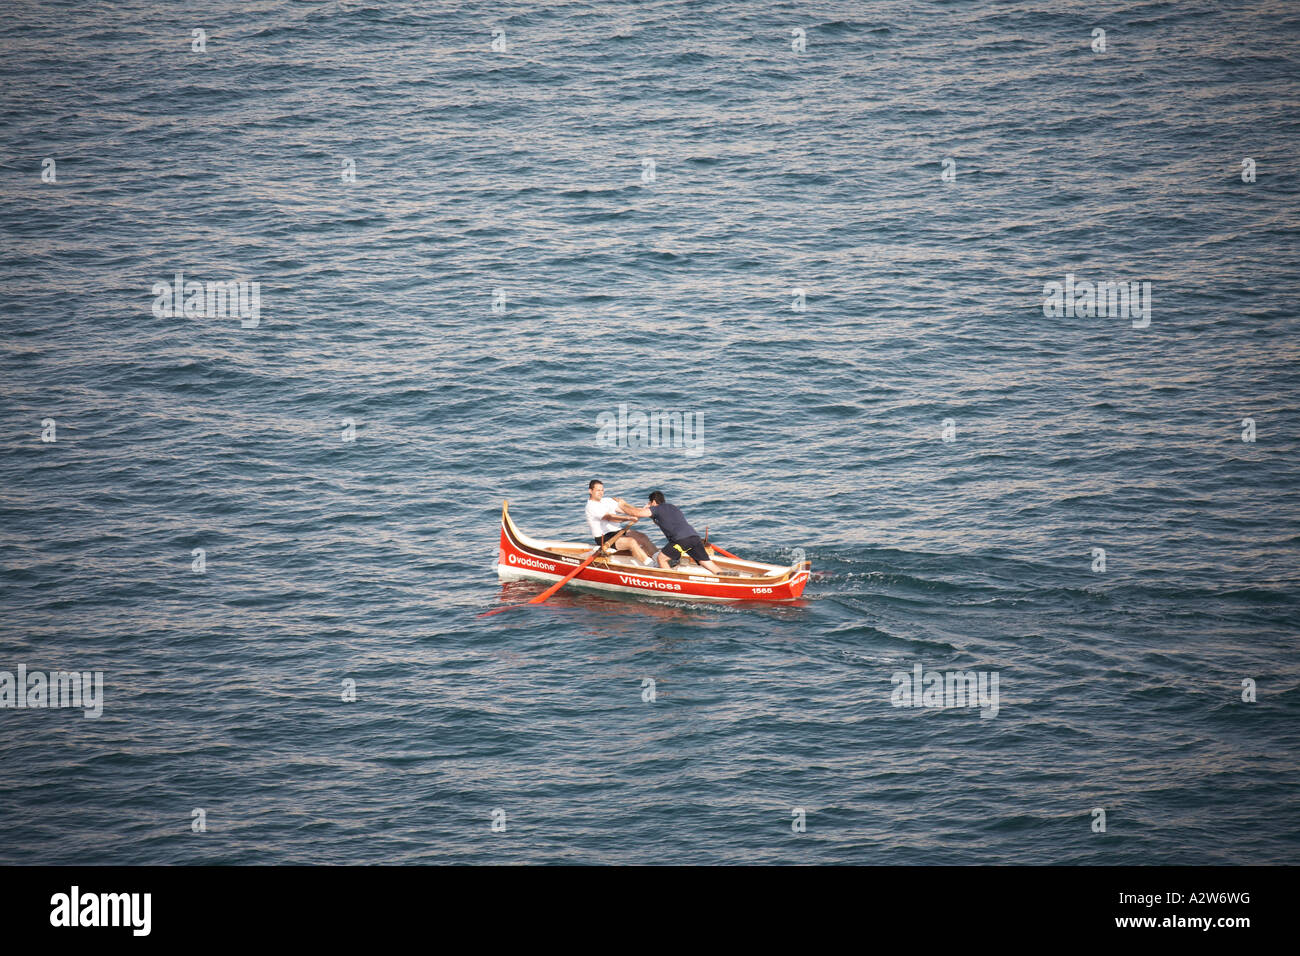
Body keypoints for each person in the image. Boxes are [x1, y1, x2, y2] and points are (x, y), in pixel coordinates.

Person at [614, 491, 727, 575]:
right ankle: (722, 576)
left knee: (662, 558)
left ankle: (671, 580)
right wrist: (651, 515)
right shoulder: (672, 507)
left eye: (650, 502)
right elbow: (664, 522)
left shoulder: (657, 509)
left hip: (682, 540)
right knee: (705, 562)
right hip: (694, 538)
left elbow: (636, 512)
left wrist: (622, 504)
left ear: (653, 502)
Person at [585, 480, 655, 565]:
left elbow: (625, 509)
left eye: (602, 490)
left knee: (642, 537)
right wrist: (628, 518)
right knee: (631, 542)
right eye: (598, 490)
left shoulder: (607, 500)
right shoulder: (591, 506)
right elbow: (610, 517)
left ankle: (657, 557)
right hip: (604, 537)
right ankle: (651, 565)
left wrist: (642, 510)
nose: (601, 493)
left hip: (618, 532)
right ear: (590, 491)